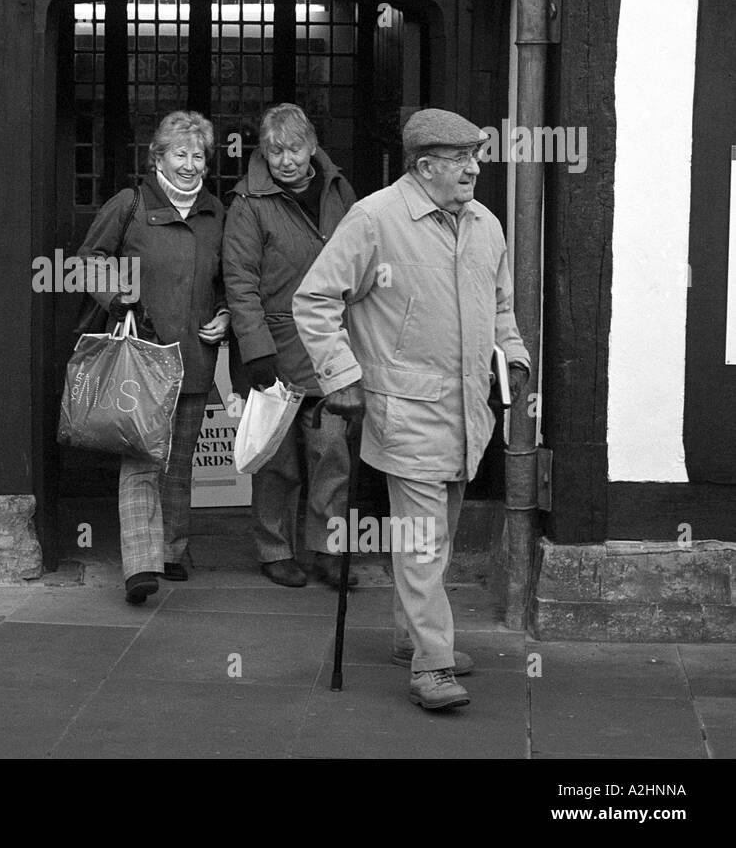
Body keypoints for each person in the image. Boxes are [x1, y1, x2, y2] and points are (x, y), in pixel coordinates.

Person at [293, 107, 530, 710]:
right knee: (423, 541)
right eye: (461, 160)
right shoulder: (374, 218)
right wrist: (342, 375)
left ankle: (409, 637)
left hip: (468, 412)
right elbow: (316, 299)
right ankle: (431, 665)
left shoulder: (485, 225)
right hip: (406, 410)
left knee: (436, 536)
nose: (474, 168)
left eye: (476, 156)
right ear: (425, 167)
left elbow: (501, 304)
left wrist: (515, 354)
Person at [78, 110, 230, 605]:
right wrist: (117, 292)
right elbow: (88, 261)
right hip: (141, 355)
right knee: (142, 461)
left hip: (194, 357)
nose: (190, 165)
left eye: (198, 155)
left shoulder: (217, 213)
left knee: (179, 463)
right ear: (158, 157)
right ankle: (140, 566)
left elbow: (229, 279)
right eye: (179, 154)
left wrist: (226, 314)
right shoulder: (131, 203)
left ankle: (172, 549)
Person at [222, 103, 356, 589]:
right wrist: (256, 351)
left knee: (332, 455)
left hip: (332, 348)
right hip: (274, 349)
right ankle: (274, 548)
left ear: (312, 146)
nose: (286, 160)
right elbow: (240, 283)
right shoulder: (248, 205)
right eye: (275, 150)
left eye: (295, 148)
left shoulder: (341, 192)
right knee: (277, 462)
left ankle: (328, 550)